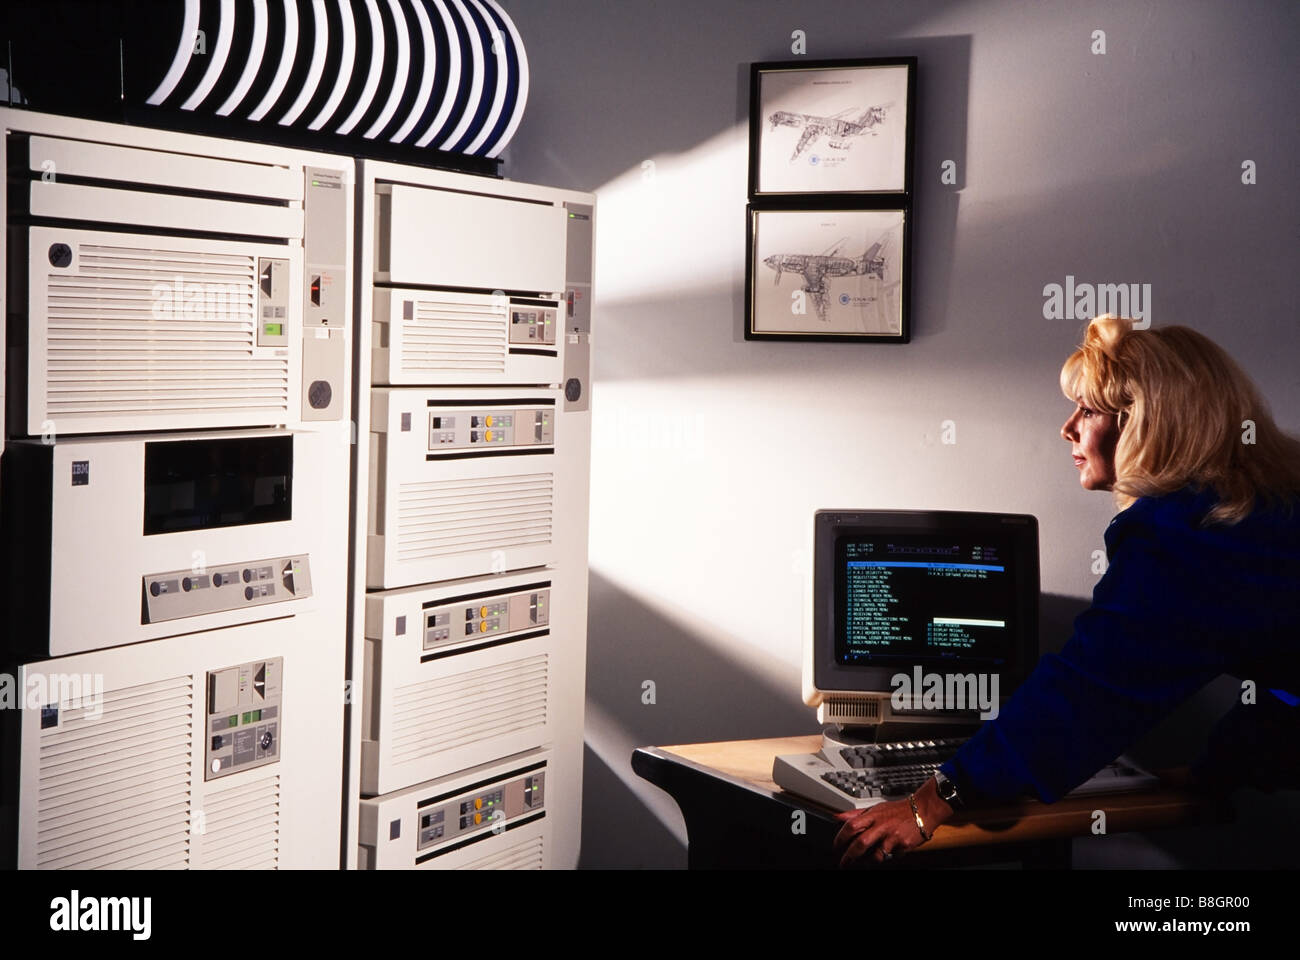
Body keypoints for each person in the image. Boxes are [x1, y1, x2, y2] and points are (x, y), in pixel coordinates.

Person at [834, 315, 1300, 867]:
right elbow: (1291, 691)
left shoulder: (1183, 535)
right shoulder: (1257, 508)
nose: (1068, 428)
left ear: (1147, 424)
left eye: (1089, 410)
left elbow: (1089, 692)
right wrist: (1222, 768)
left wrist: (930, 803)